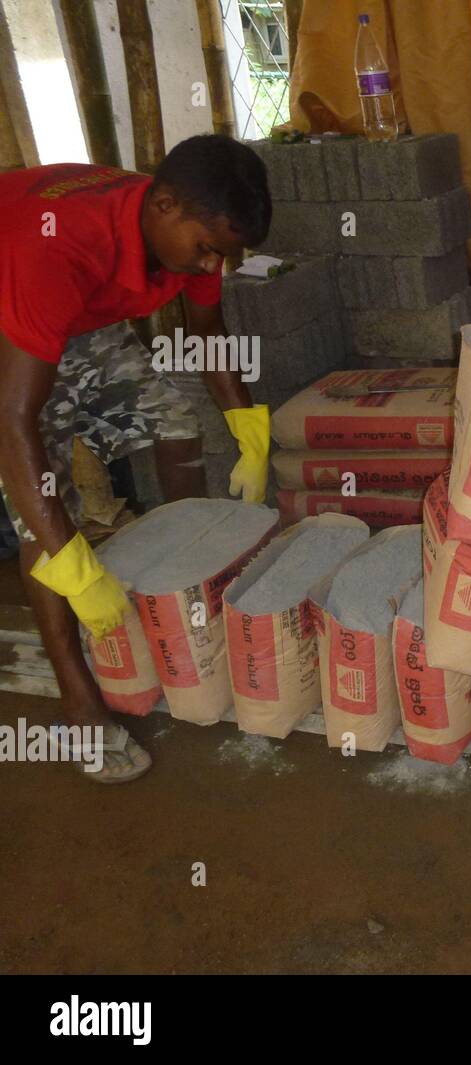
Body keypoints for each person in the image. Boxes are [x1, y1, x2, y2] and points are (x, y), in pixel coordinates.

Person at [0, 134, 274, 783]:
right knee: (43, 515)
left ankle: (178, 599)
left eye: (227, 256)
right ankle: (81, 709)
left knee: (172, 424)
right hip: (12, 317)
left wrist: (248, 429)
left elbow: (208, 333)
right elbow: (14, 421)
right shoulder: (59, 245)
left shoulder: (189, 234)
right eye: (208, 250)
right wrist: (72, 561)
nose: (214, 266)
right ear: (165, 207)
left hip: (74, 314)